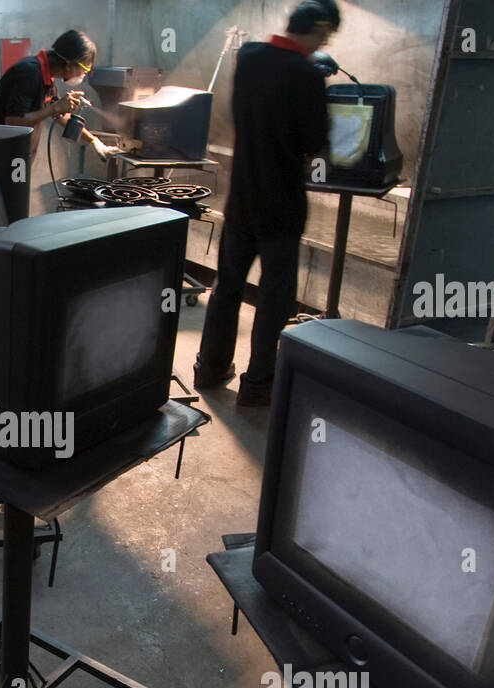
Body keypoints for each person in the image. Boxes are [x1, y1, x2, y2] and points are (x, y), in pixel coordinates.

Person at [193, 0, 337, 406]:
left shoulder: (250, 57)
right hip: (281, 206)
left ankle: (210, 369)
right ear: (319, 29)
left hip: (241, 199)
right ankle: (257, 385)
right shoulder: (307, 76)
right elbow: (313, 146)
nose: (324, 42)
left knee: (227, 289)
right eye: (326, 34)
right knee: (274, 298)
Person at [0, 29, 113, 163]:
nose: (83, 75)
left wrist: (93, 140)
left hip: (17, 156)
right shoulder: (29, 73)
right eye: (84, 70)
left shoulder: (47, 76)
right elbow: (13, 122)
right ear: (69, 64)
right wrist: (54, 108)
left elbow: (61, 116)